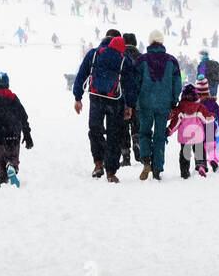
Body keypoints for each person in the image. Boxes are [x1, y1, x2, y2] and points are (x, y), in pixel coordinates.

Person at [72, 32, 135, 182]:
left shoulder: (94, 54)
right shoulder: (123, 58)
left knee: (95, 130)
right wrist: (130, 105)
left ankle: (98, 163)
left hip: (96, 98)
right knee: (114, 134)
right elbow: (130, 84)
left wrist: (77, 97)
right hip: (115, 100)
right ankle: (111, 171)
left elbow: (81, 75)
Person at [133, 31, 181, 181]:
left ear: (150, 41)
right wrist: (173, 101)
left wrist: (135, 101)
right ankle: (157, 169)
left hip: (145, 102)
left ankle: (146, 160)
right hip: (164, 103)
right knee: (160, 136)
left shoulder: (141, 60)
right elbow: (177, 84)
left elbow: (135, 83)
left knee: (144, 132)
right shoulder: (172, 61)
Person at [0, 72, 33, 186]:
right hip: (14, 134)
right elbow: (23, 117)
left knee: (0, 160)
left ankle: (2, 179)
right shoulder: (14, 98)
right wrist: (27, 134)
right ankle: (12, 166)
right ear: (8, 85)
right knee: (13, 156)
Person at [167, 83, 214, 178]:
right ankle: (201, 165)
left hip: (185, 138)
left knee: (185, 155)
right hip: (198, 136)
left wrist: (169, 131)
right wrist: (212, 116)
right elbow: (206, 118)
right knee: (199, 151)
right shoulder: (200, 107)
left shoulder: (180, 109)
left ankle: (185, 172)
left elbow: (175, 123)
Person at [120, 32, 143, 166]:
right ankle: (137, 142)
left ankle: (126, 156)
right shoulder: (141, 58)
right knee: (137, 124)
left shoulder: (120, 56)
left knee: (123, 127)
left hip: (122, 97)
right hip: (138, 98)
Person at [196, 76, 219, 172]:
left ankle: (201, 166)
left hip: (199, 129)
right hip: (211, 128)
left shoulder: (197, 104)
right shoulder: (213, 103)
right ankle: (213, 160)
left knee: (200, 147)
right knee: (211, 147)